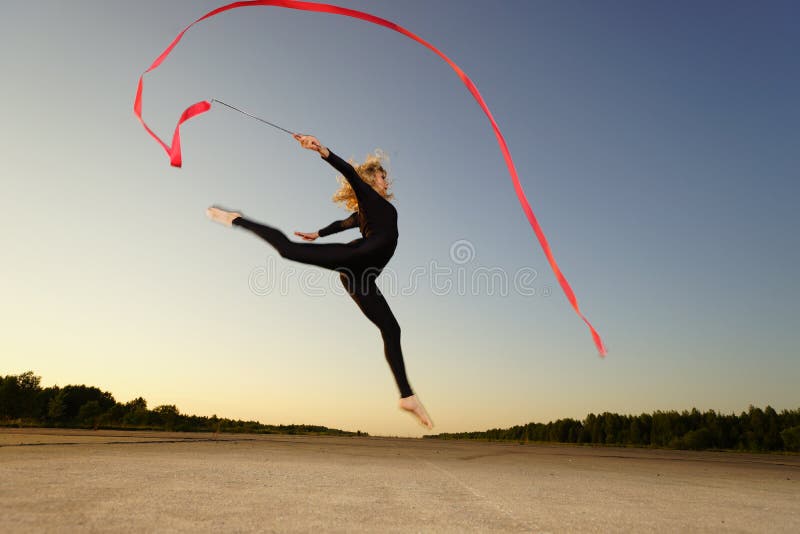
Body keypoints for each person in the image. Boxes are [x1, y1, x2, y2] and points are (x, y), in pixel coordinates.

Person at [206, 134, 433, 429]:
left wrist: (319, 233)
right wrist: (322, 150)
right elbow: (349, 173)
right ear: (371, 179)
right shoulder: (367, 195)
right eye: (382, 175)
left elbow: (343, 223)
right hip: (357, 258)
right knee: (288, 250)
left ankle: (407, 396)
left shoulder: (370, 209)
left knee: (392, 328)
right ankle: (237, 219)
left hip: (363, 277)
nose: (386, 179)